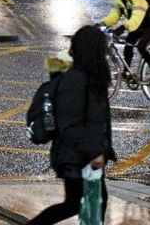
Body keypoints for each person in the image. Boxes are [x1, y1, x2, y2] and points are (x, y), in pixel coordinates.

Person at [27, 25, 115, 225]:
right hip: (79, 155)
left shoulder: (88, 75)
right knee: (90, 209)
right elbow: (71, 124)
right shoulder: (76, 79)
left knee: (76, 205)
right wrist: (95, 153)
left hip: (82, 153)